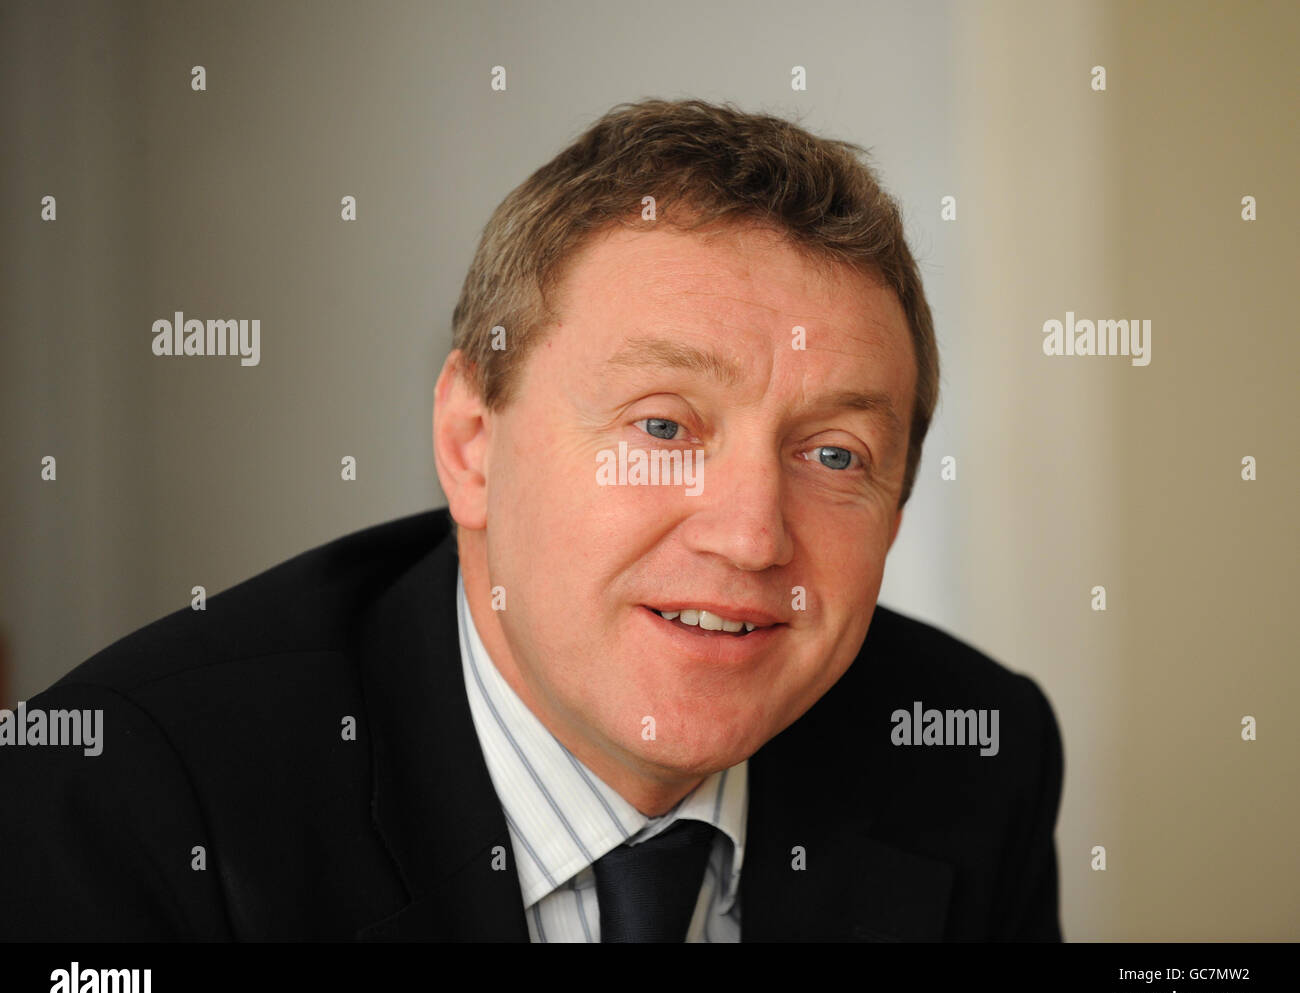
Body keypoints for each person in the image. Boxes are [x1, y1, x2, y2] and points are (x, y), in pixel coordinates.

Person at [0, 98, 1063, 942]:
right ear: (473, 442)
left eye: (834, 455)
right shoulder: (129, 797)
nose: (750, 537)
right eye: (660, 426)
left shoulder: (971, 755)